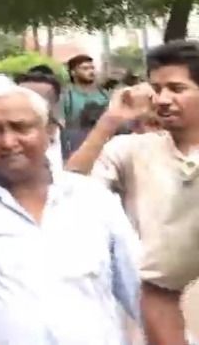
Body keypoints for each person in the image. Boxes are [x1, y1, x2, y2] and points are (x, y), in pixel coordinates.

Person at [0, 86, 140, 344]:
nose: (8, 142)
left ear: (49, 132)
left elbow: (140, 293)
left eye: (21, 127)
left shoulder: (93, 199)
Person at [67, 41, 199, 344]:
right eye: (157, 88)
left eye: (177, 89)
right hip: (152, 309)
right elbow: (68, 192)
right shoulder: (132, 150)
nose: (163, 99)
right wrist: (110, 121)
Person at [62, 54, 110, 130]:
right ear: (73, 72)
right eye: (85, 68)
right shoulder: (66, 96)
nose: (91, 71)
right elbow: (60, 122)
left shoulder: (104, 95)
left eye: (92, 68)